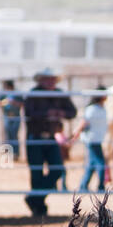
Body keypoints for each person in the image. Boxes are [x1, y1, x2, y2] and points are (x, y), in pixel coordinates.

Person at [22, 68, 76, 218]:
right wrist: (47, 114)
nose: (51, 82)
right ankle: (39, 207)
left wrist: (61, 113)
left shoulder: (59, 93)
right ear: (40, 80)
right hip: (36, 137)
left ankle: (35, 199)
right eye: (47, 79)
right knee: (36, 173)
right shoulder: (33, 94)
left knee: (57, 169)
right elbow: (28, 113)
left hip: (51, 137)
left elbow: (72, 111)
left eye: (53, 79)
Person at [75, 91, 108, 193]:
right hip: (92, 139)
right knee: (101, 163)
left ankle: (83, 185)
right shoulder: (92, 109)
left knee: (91, 164)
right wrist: (76, 133)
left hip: (95, 139)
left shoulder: (98, 109)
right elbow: (84, 122)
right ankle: (101, 186)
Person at [0, 79, 23, 159]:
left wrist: (14, 102)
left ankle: (16, 154)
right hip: (7, 116)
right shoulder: (3, 94)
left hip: (16, 116)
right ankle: (8, 154)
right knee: (7, 135)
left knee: (14, 135)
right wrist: (4, 102)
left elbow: (22, 103)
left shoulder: (17, 94)